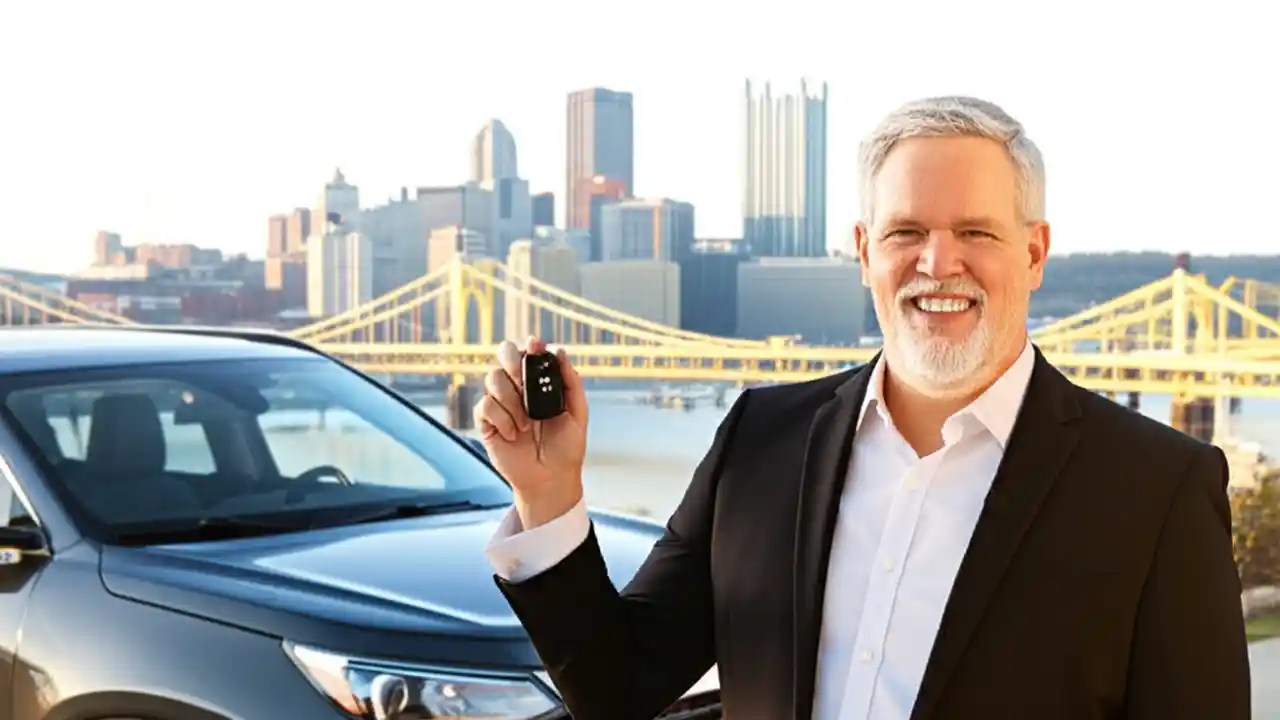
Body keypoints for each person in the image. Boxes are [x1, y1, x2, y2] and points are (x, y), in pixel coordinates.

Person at [475, 96, 1251, 719]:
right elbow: (619, 689)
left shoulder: (1156, 489)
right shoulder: (760, 439)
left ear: (1035, 252)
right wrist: (548, 497)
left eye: (975, 231)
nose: (937, 262)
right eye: (906, 230)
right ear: (863, 250)